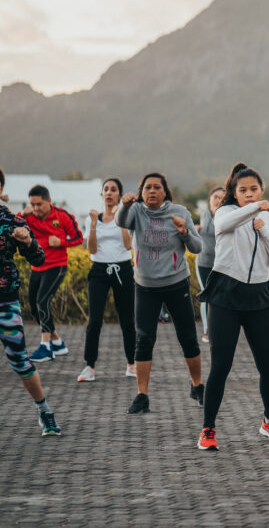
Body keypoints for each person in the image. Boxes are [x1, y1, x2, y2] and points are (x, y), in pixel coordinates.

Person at [197, 164, 269, 451]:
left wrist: (264, 230)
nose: (249, 195)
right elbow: (224, 226)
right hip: (226, 296)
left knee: (268, 366)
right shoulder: (225, 213)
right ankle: (208, 430)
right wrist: (254, 211)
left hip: (258, 297)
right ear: (234, 194)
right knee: (221, 367)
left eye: (254, 189)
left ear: (261, 189)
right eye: (243, 190)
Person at [116, 173, 205, 414]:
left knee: (188, 338)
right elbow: (121, 222)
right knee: (144, 340)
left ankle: (197, 386)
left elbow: (197, 248)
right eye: (148, 188)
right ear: (141, 192)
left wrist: (185, 231)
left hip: (176, 284)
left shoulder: (179, 211)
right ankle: (142, 395)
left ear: (165, 191)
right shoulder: (135, 211)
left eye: (157, 187)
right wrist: (124, 205)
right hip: (145, 287)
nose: (152, 191)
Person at [0, 168, 62, 435]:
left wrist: (28, 242)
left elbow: (38, 259)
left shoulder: (11, 221)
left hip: (5, 303)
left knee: (20, 361)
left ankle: (44, 411)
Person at [79, 178, 135, 382]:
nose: (109, 193)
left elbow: (128, 245)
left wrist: (120, 215)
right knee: (94, 321)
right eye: (106, 190)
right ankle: (89, 366)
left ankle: (132, 363)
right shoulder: (91, 218)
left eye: (113, 190)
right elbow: (91, 249)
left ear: (119, 195)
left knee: (127, 320)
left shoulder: (126, 216)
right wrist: (94, 223)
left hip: (123, 269)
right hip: (99, 271)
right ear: (102, 194)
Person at [22, 185, 83, 363]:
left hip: (57, 266)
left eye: (39, 204)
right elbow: (12, 225)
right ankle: (57, 341)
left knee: (43, 301)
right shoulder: (28, 216)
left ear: (48, 201)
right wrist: (22, 214)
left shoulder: (62, 216)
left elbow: (78, 237)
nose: (36, 209)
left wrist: (61, 242)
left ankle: (46, 347)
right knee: (34, 307)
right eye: (32, 205)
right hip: (37, 267)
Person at [196, 186, 225, 343]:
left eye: (222, 197)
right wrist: (196, 229)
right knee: (207, 295)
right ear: (210, 200)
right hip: (204, 262)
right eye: (215, 197)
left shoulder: (227, 215)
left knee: (221, 296)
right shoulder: (205, 214)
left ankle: (221, 328)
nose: (218, 200)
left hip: (223, 263)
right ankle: (208, 331)